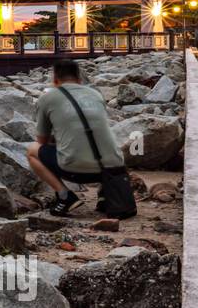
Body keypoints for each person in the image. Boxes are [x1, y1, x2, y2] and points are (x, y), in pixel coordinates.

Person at [25, 60, 125, 216]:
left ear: (55, 79)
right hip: (113, 169)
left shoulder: (47, 98)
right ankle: (105, 195)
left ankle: (65, 196)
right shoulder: (96, 94)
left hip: (76, 171)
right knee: (104, 143)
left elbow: (42, 141)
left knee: (32, 151)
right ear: (79, 78)